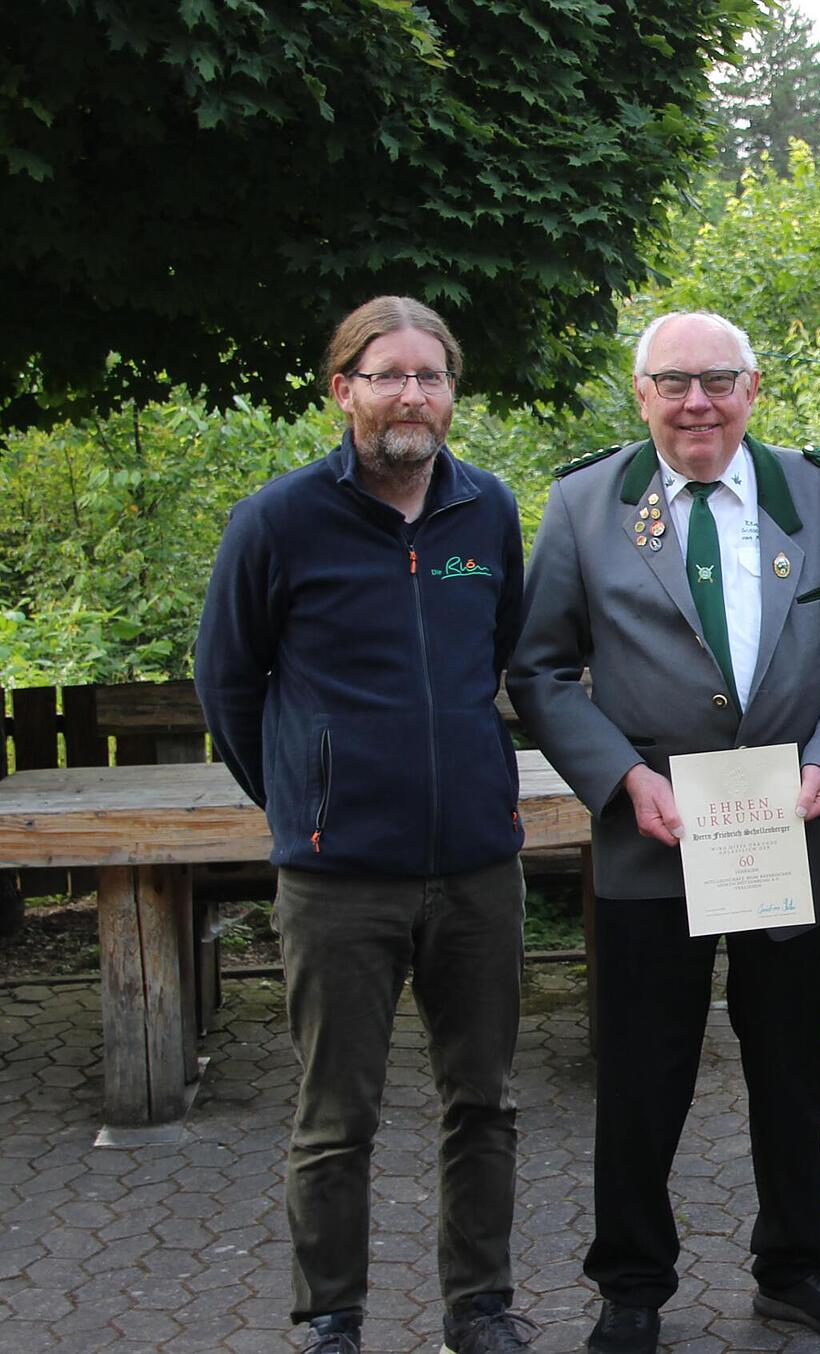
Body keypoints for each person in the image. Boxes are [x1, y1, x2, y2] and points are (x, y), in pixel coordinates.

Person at [506, 311, 820, 1353]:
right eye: (672, 382)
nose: (696, 402)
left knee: (788, 1061)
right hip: (652, 834)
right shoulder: (586, 504)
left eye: (717, 380)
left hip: (786, 830)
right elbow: (539, 668)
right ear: (639, 395)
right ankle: (631, 1283)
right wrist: (618, 776)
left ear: (752, 386)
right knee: (642, 1071)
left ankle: (795, 1265)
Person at [195, 297, 536, 1354]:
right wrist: (308, 798)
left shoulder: (486, 513)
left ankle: (477, 1308)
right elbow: (227, 683)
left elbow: (502, 658)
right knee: (335, 1118)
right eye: (385, 375)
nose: (410, 395)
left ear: (451, 391)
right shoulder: (280, 520)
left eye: (428, 376)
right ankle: (328, 1317)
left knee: (482, 1103)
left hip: (478, 869)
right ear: (342, 388)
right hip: (338, 878)